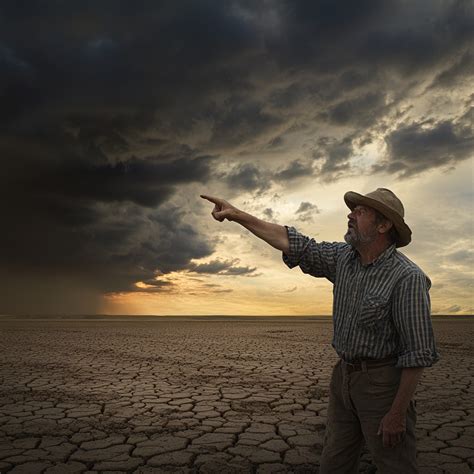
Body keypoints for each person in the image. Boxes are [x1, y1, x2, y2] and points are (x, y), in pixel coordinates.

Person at [201, 188, 439, 474]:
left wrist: (397, 413)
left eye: (360, 212)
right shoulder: (344, 259)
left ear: (383, 225)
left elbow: (417, 354)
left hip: (383, 387)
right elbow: (296, 244)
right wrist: (237, 215)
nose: (350, 215)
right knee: (334, 464)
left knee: (395, 465)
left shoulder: (406, 277)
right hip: (344, 378)